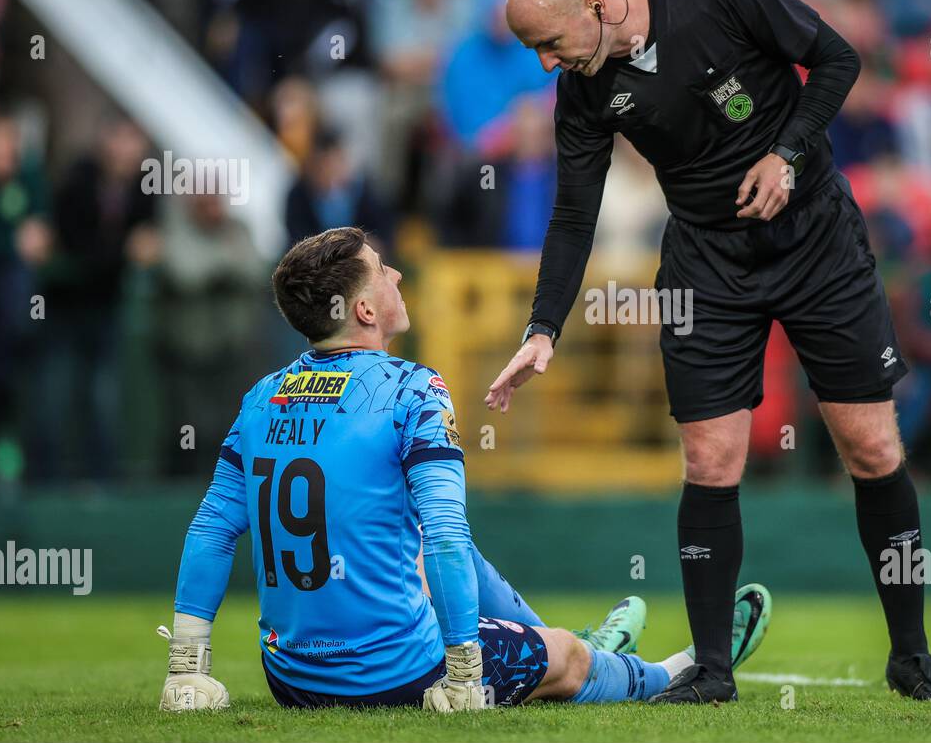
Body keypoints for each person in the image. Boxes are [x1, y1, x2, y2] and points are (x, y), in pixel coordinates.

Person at [488, 0, 931, 704]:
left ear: (597, 6)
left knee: (872, 448)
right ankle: (713, 670)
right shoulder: (582, 92)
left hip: (816, 241)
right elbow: (574, 214)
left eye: (549, 44)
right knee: (710, 461)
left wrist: (786, 153)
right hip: (707, 265)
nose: (545, 66)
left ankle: (911, 653)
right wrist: (542, 328)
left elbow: (838, 59)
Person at [158, 226, 770, 712]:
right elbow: (449, 531)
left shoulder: (265, 394)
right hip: (396, 673)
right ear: (366, 309)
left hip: (290, 679)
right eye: (382, 268)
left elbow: (213, 528)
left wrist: (187, 672)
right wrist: (462, 674)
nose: (397, 273)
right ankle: (661, 672)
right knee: (564, 659)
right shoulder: (411, 389)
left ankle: (562, 641)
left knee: (427, 552)